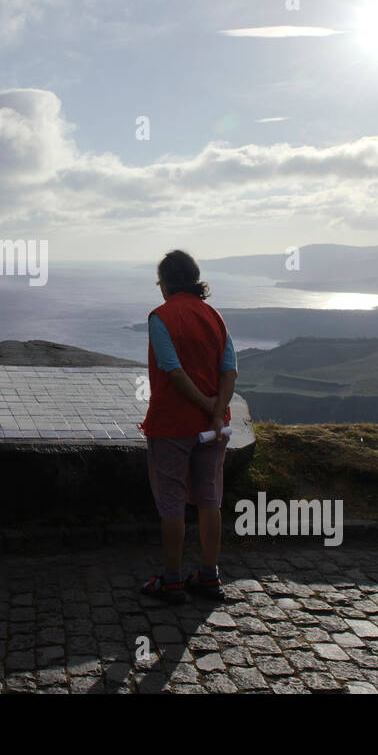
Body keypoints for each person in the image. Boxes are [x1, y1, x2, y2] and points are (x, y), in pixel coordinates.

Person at [138, 249, 238, 604]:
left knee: (171, 502)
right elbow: (230, 369)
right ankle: (210, 577)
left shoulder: (160, 317)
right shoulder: (215, 317)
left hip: (172, 424)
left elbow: (172, 370)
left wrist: (204, 404)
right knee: (210, 498)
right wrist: (217, 408)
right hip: (213, 428)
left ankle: (172, 580)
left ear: (165, 284)